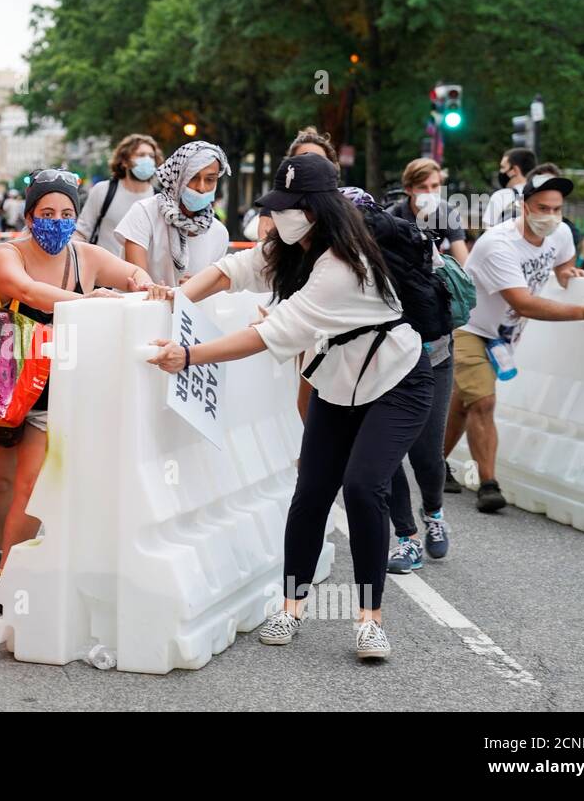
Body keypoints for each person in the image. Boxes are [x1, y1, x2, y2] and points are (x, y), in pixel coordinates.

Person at [148, 154, 433, 660]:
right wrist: (171, 302)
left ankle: (370, 620)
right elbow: (229, 271)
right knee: (310, 493)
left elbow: (265, 335)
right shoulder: (294, 246)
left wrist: (188, 355)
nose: (280, 215)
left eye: (290, 206)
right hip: (337, 383)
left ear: (317, 208)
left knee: (364, 487)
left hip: (396, 381)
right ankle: (291, 605)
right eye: (277, 206)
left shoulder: (343, 266)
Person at [0, 169, 152, 593]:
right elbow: (26, 291)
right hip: (4, 378)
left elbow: (132, 274)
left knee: (31, 480)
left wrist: (144, 282)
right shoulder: (7, 253)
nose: (57, 220)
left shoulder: (85, 256)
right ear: (30, 215)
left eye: (67, 212)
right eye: (47, 211)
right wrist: (86, 301)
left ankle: (10, 577)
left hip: (56, 386)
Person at [444, 166, 584, 512]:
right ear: (525, 206)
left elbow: (563, 262)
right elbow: (523, 302)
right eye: (542, 208)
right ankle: (488, 484)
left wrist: (568, 273)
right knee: (483, 402)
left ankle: (430, 462)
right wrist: (582, 311)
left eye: (556, 209)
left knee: (463, 403)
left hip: (504, 335)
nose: (550, 216)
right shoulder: (498, 244)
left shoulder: (562, 233)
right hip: (469, 327)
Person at [384, 157, 468, 574]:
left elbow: (463, 270)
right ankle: (406, 536)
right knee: (388, 452)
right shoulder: (389, 219)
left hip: (436, 352)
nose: (431, 192)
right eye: (424, 185)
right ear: (410, 188)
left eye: (437, 184)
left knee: (427, 453)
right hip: (393, 354)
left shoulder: (447, 216)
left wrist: (438, 259)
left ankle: (433, 514)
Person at [115, 140, 230, 287]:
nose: (201, 187)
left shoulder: (219, 233)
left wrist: (195, 289)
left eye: (210, 179)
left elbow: (211, 289)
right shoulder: (145, 213)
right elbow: (136, 280)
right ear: (177, 178)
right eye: (193, 177)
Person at [75, 133, 163, 256]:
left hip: (143, 274)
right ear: (124, 162)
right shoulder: (103, 191)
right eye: (141, 155)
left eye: (151, 156)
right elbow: (81, 232)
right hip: (104, 273)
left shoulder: (160, 200)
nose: (147, 160)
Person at [389, 158, 468, 265]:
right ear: (408, 189)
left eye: (435, 186)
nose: (430, 192)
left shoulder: (448, 212)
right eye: (422, 187)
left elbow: (463, 262)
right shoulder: (393, 216)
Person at [482, 148, 536, 230]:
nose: (501, 172)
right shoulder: (542, 194)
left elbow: (489, 231)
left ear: (514, 170)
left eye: (503, 167)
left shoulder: (501, 196)